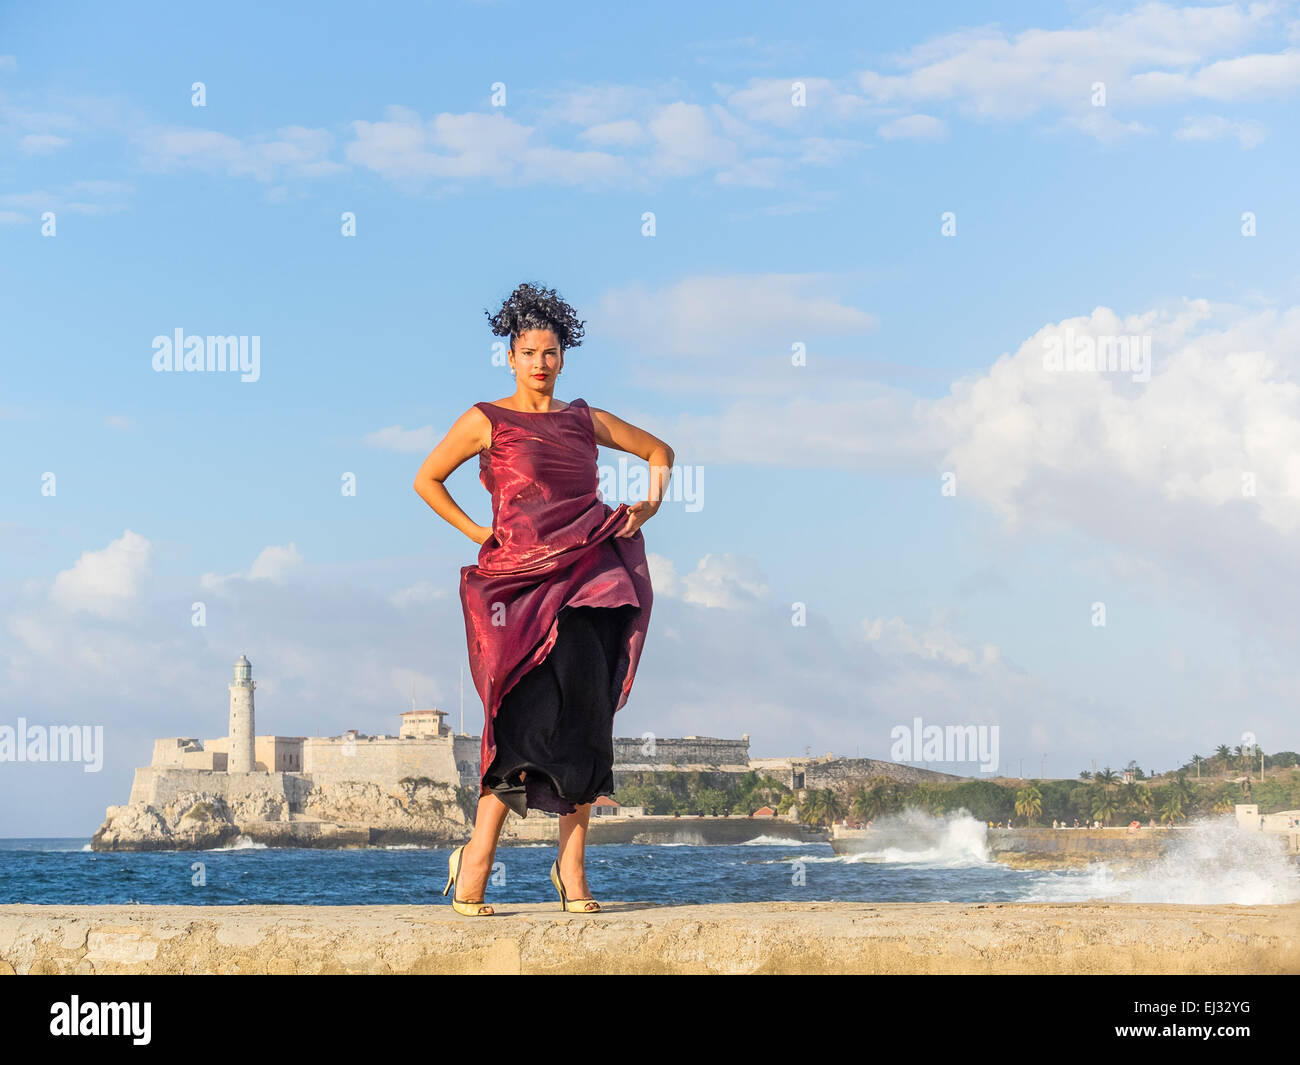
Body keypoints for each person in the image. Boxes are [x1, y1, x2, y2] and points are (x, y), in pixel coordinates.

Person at [414, 282, 673, 916]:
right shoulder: (486, 420)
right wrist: (481, 532)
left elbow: (659, 452)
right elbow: (427, 479)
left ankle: (572, 872)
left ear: (563, 358)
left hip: (591, 580)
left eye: (551, 352)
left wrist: (649, 503)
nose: (540, 363)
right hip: (518, 588)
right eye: (528, 352)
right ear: (510, 357)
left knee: (587, 726)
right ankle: (474, 862)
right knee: (520, 726)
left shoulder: (585, 420)